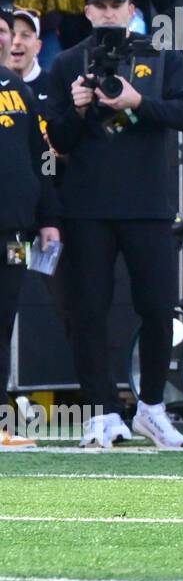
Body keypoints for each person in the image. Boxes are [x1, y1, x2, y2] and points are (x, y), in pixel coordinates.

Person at [45, 0, 183, 449]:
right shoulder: (68, 62)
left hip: (148, 205)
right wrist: (77, 108)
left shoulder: (160, 54)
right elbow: (59, 140)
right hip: (87, 206)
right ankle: (100, 411)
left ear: (132, 8)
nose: (109, 12)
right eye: (100, 5)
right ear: (87, 10)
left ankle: (151, 407)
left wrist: (136, 103)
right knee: (88, 312)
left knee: (157, 308)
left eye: (117, 4)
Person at [0, 45, 56, 448]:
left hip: (14, 235)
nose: (5, 39)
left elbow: (40, 160)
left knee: (3, 327)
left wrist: (48, 219)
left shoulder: (19, 90)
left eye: (4, 31)